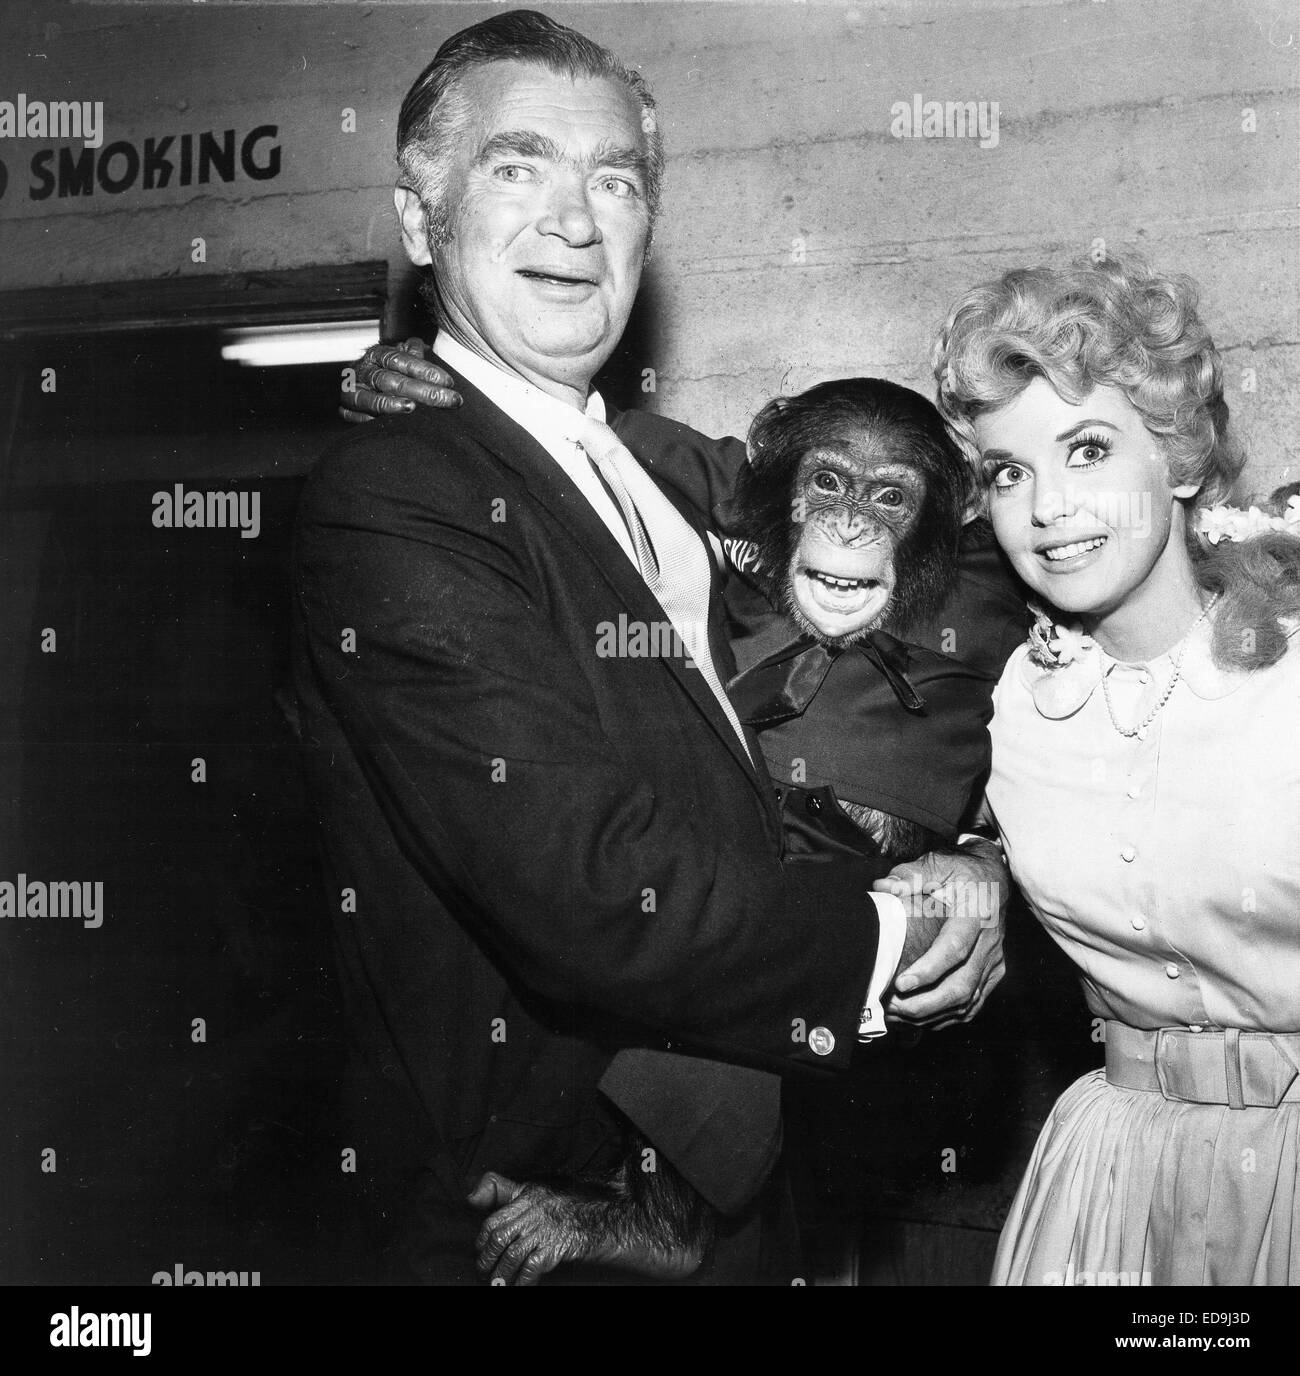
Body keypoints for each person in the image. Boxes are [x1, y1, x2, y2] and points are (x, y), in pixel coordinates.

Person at [292, 10, 1005, 1284]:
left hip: (745, 1144)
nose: (575, 219)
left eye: (614, 181)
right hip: (534, 1188)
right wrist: (901, 942)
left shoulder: (657, 479)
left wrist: (982, 869)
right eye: (519, 168)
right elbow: (586, 885)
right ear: (420, 222)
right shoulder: (400, 484)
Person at [932, 255, 1300, 1285]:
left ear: (1177, 455)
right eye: (1008, 472)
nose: (1047, 506)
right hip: (1116, 1182)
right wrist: (971, 863)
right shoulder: (1008, 704)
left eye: (1087, 450)